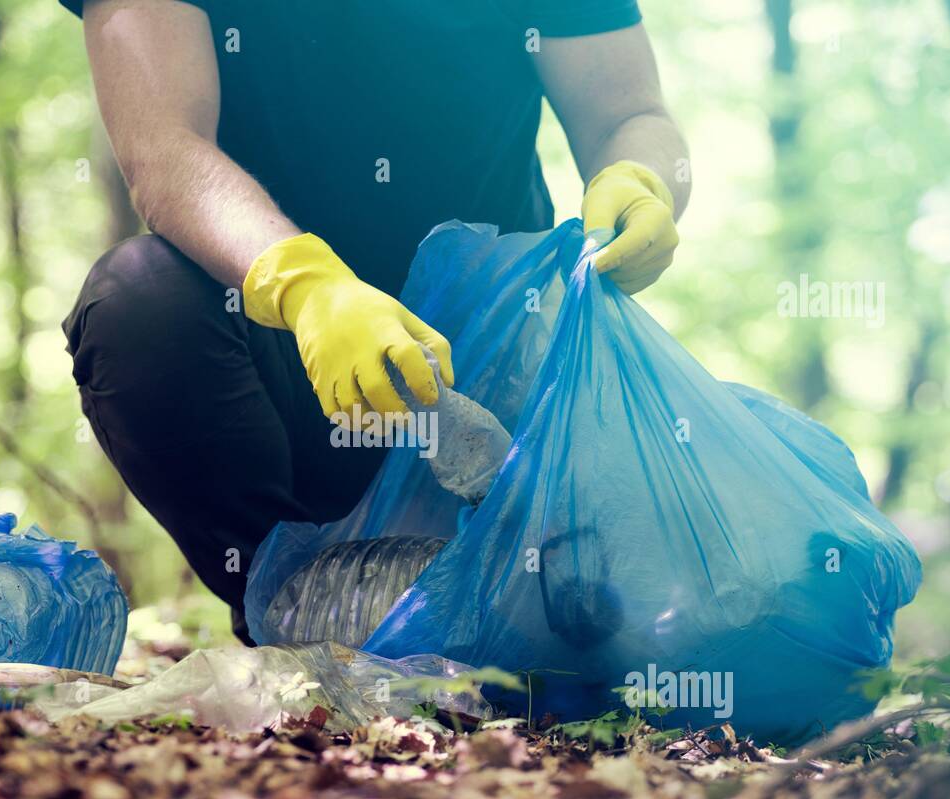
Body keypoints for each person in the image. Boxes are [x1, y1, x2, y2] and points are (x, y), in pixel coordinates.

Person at [59, 0, 689, 642]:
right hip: (282, 385)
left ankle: (518, 588)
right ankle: (300, 607)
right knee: (135, 301)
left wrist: (639, 179)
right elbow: (164, 147)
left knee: (637, 592)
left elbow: (627, 113)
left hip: (493, 386)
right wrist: (305, 286)